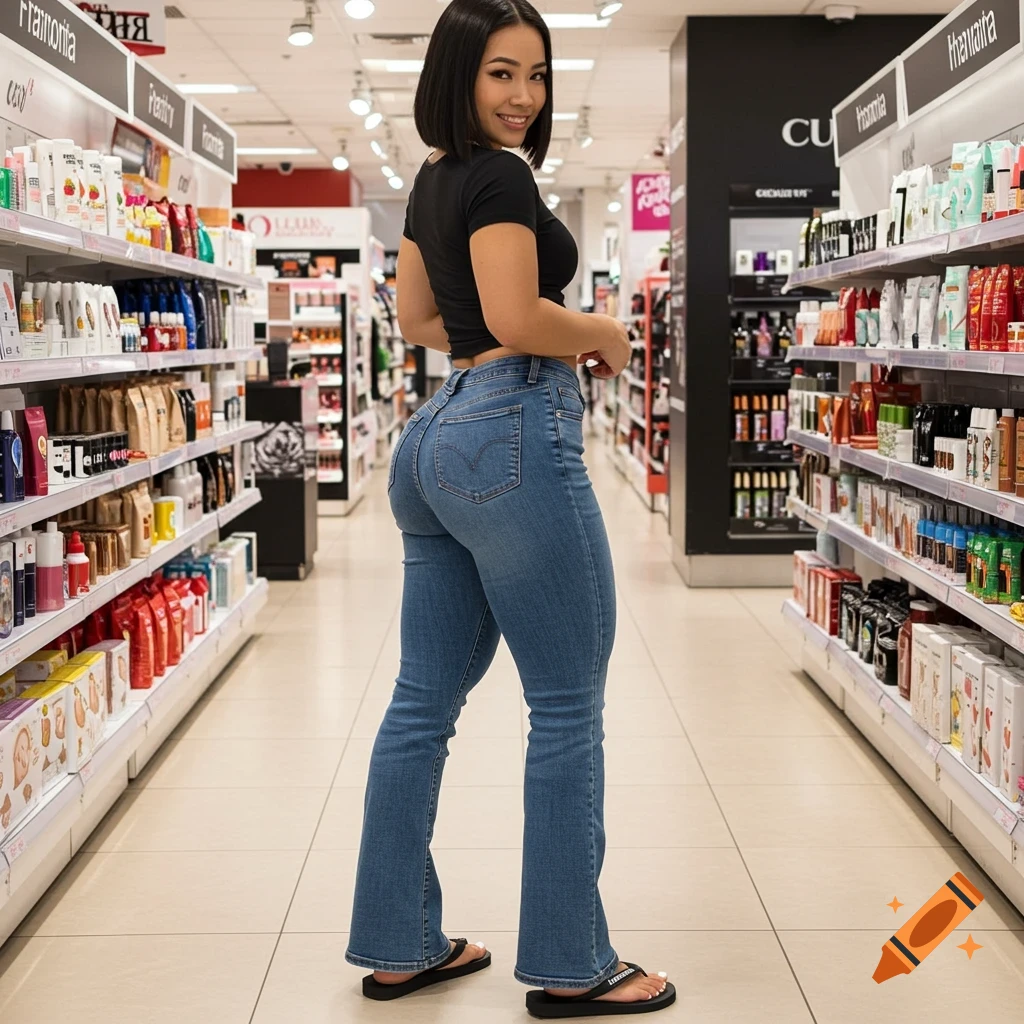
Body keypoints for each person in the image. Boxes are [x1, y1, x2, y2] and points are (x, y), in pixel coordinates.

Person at [345, 0, 675, 1017]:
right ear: (458, 73)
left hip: (436, 433)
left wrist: (499, 337)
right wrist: (605, 333)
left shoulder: (432, 180)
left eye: (535, 74)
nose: (522, 94)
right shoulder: (500, 176)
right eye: (500, 72)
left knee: (420, 705)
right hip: (513, 427)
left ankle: (401, 945)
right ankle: (574, 965)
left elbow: (417, 317)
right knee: (567, 706)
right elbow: (518, 317)